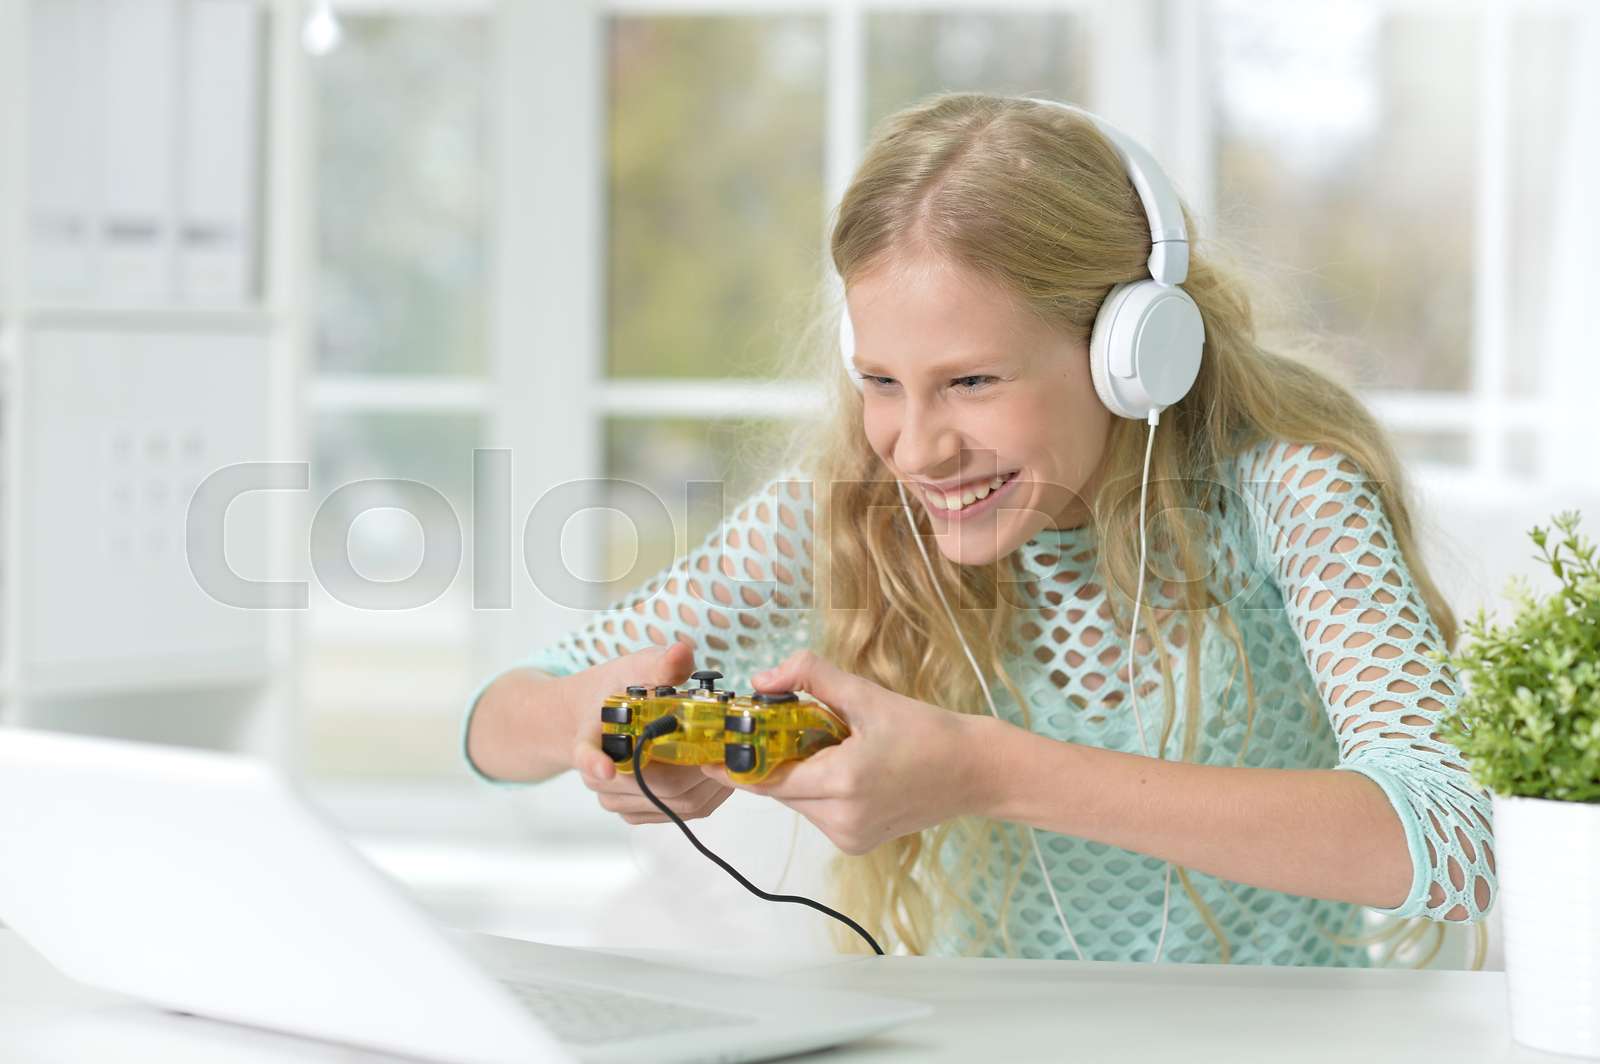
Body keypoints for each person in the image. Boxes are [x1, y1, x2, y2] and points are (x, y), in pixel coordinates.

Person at [462, 92, 1495, 968]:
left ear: (1132, 354)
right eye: (879, 383)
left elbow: (1449, 837)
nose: (914, 448)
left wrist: (988, 768)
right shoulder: (846, 515)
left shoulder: (1289, 496)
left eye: (970, 381)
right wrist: (587, 725)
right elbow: (493, 721)